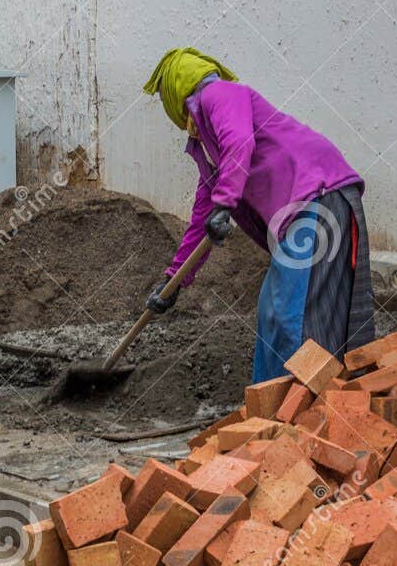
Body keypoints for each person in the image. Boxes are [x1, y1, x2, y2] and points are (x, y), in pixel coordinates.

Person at [141, 47, 374, 383]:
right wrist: (174, 279)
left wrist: (225, 203)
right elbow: (201, 216)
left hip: (320, 198)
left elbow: (240, 141)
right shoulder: (208, 148)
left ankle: (298, 407)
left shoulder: (219, 94)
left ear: (177, 93)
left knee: (290, 311)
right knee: (275, 309)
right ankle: (269, 405)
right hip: (305, 210)